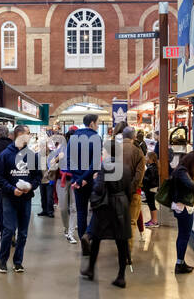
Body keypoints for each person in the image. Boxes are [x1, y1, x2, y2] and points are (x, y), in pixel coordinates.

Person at [80, 145, 135, 289]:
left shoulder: (106, 166)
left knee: (97, 238)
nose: (102, 153)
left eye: (103, 151)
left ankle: (91, 269)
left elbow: (99, 188)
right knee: (121, 242)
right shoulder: (126, 168)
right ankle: (121, 276)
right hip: (121, 204)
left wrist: (95, 179)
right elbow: (130, 189)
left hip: (106, 206)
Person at [0, 125, 42, 273]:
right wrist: (12, 189)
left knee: (23, 233)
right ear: (19, 134)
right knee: (8, 230)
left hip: (26, 199)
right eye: (28, 134)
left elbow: (37, 176)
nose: (30, 136)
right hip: (9, 198)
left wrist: (30, 186)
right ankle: (2, 261)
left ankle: (18, 261)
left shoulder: (31, 155)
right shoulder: (5, 155)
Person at [65, 114, 104, 241]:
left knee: (81, 212)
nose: (98, 126)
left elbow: (69, 161)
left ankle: (83, 240)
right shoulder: (96, 138)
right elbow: (95, 163)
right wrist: (85, 179)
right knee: (97, 209)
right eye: (97, 123)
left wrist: (78, 179)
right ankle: (89, 235)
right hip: (91, 180)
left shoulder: (73, 137)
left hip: (77, 181)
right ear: (92, 123)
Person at [169, 149, 194, 275]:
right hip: (183, 208)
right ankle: (179, 264)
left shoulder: (180, 169)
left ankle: (181, 262)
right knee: (184, 235)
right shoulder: (182, 171)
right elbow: (191, 185)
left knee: (182, 235)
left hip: (180, 206)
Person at [57, 126, 77, 243]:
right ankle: (66, 228)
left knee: (74, 207)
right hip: (62, 180)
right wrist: (56, 159)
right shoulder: (60, 150)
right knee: (63, 208)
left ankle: (71, 233)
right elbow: (51, 164)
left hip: (75, 180)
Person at [38, 132, 58, 218]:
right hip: (41, 179)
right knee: (43, 197)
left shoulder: (52, 154)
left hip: (50, 179)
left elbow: (56, 166)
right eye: (41, 147)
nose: (43, 148)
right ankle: (44, 210)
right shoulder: (38, 156)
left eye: (44, 146)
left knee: (49, 197)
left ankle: (50, 211)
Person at [142, 151, 160, 228]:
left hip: (150, 189)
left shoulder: (152, 168)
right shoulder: (153, 167)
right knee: (150, 204)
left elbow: (150, 179)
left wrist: (143, 178)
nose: (145, 159)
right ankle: (152, 220)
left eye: (146, 157)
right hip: (151, 188)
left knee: (151, 204)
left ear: (151, 158)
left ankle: (154, 221)